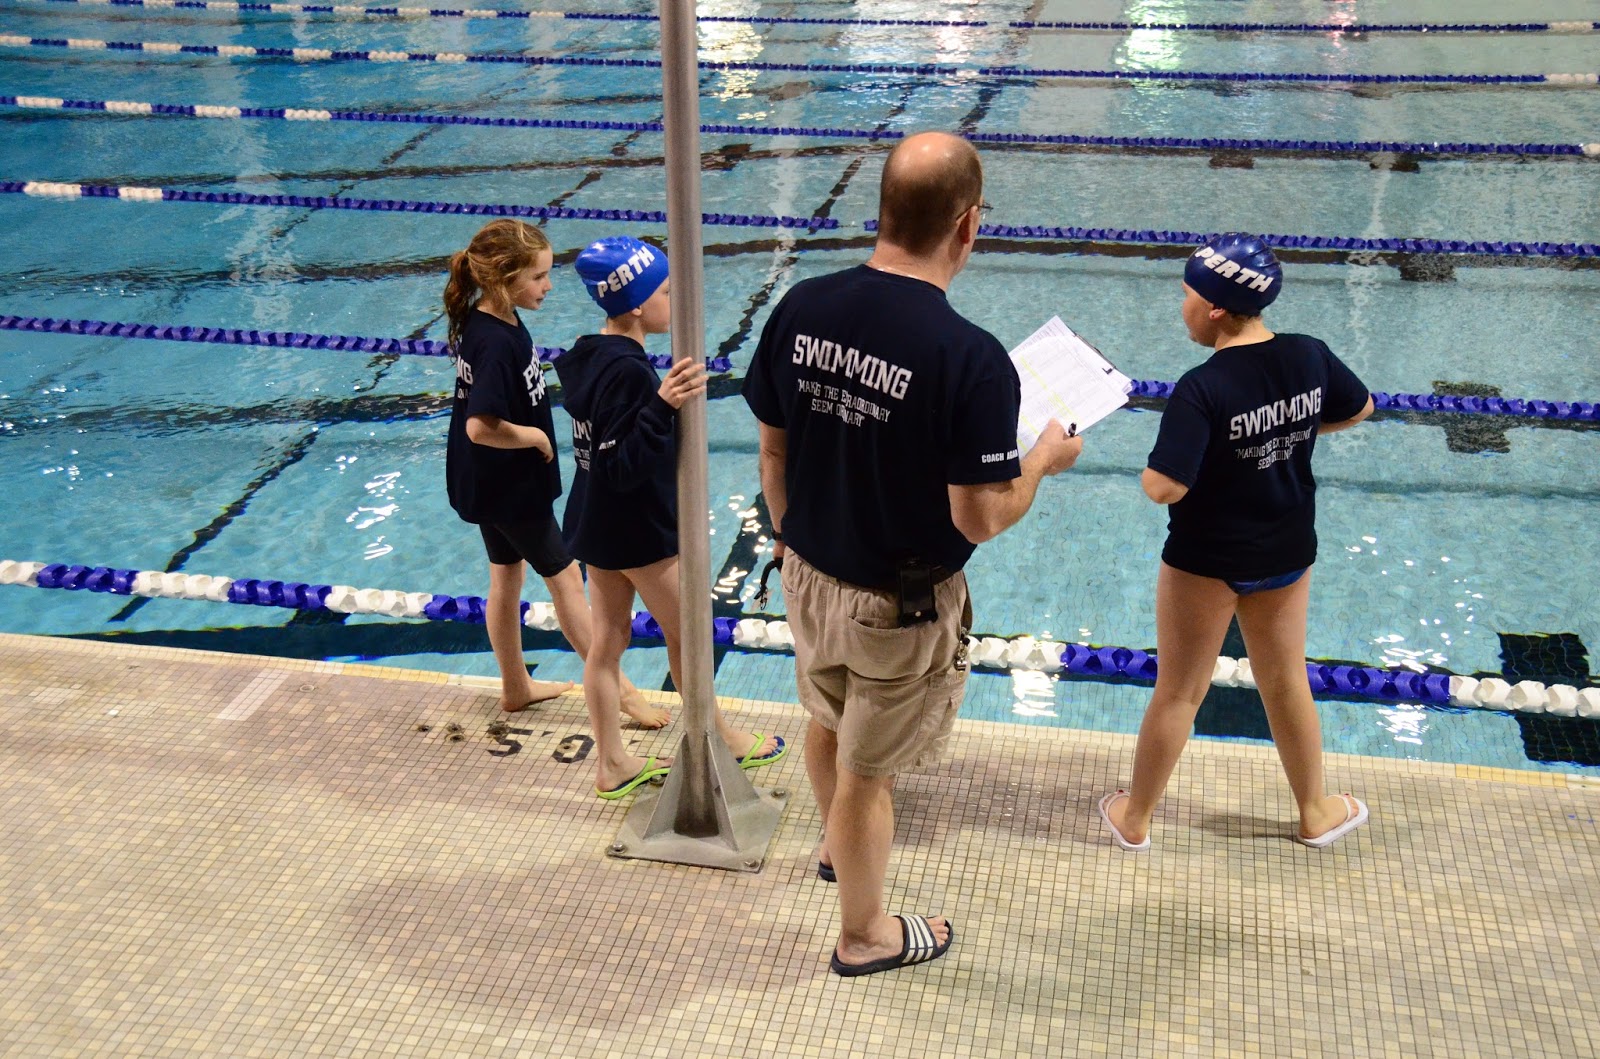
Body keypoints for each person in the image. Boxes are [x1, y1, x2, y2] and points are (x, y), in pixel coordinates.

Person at [743, 132, 1083, 977]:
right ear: (968, 225)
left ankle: (838, 848)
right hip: (896, 606)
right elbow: (980, 516)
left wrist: (792, 541)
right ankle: (865, 933)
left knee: (829, 722)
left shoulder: (802, 305)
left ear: (884, 209)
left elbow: (774, 451)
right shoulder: (969, 358)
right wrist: (1043, 459)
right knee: (866, 771)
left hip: (805, 574)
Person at [1098, 233, 1376, 852]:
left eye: (1187, 296)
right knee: (1286, 681)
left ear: (1216, 307)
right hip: (1287, 551)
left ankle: (1134, 819)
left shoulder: (1203, 387)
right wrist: (1287, 435)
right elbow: (1360, 408)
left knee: (1179, 692)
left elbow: (1164, 487)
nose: (1183, 308)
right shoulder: (1308, 354)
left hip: (1207, 560)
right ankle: (1315, 812)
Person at [560, 235, 785, 800]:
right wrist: (662, 406)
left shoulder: (590, 355)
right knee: (691, 635)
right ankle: (721, 738)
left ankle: (612, 762)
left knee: (607, 643)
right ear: (635, 304)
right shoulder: (629, 373)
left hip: (597, 525)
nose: (673, 300)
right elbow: (620, 464)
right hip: (637, 532)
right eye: (663, 291)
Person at [443, 219, 667, 728]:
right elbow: (480, 426)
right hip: (506, 485)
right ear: (506, 279)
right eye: (539, 277)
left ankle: (515, 686)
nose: (548, 286)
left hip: (485, 480)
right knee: (565, 578)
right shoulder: (495, 341)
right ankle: (626, 696)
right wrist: (535, 438)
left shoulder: (490, 320)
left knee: (506, 576)